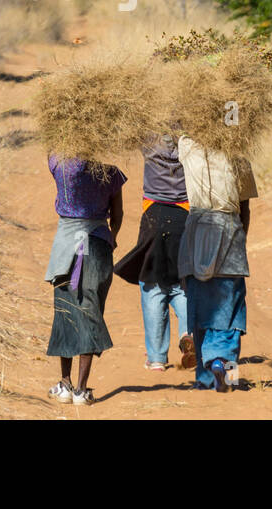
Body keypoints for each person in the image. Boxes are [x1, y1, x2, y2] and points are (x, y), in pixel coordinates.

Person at [176, 135, 256, 392]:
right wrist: (239, 238)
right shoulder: (238, 153)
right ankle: (224, 368)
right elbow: (244, 208)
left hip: (197, 232)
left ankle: (205, 378)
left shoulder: (188, 148)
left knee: (199, 308)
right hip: (229, 229)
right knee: (230, 309)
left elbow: (180, 122)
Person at [44, 154, 125, 406]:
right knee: (90, 309)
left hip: (66, 246)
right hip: (97, 244)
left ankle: (65, 384)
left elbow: (51, 151)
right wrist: (112, 237)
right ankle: (81, 389)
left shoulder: (61, 166)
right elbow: (118, 213)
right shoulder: (110, 173)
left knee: (66, 310)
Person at [114, 134, 195, 372]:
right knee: (182, 283)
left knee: (152, 285)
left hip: (153, 216)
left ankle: (157, 358)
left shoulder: (149, 141)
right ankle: (188, 332)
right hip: (185, 216)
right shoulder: (189, 144)